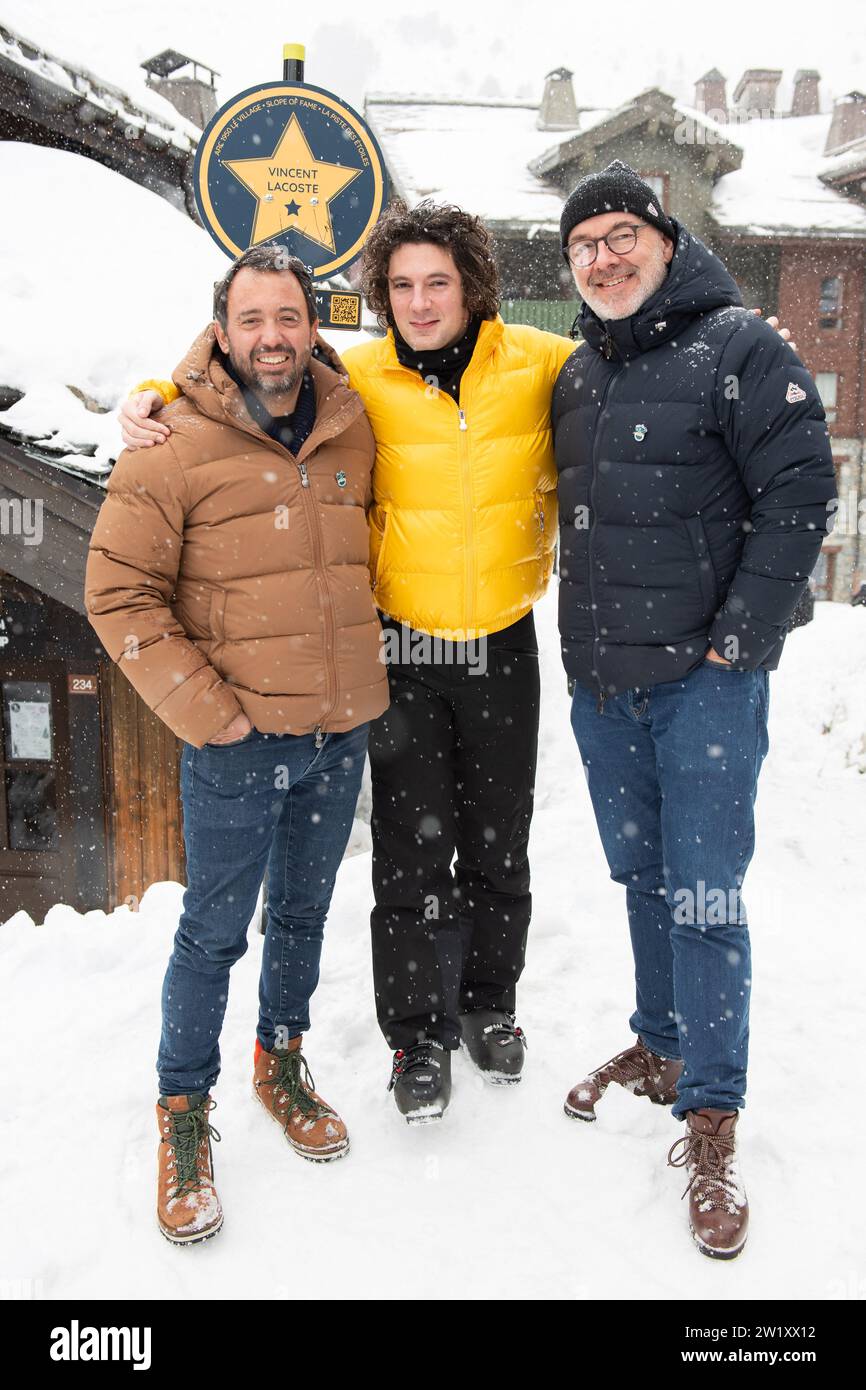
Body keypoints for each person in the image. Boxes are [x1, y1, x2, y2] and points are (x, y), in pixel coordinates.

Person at [118, 201, 577, 1123]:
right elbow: (242, 355)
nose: (417, 301)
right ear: (378, 297)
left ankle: (489, 1005)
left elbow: (632, 346)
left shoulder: (538, 361)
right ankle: (414, 1037)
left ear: (471, 286)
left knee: (500, 848)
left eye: (436, 282)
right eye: (400, 285)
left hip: (502, 639)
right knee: (410, 856)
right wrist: (152, 393)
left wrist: (730, 336)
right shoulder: (354, 377)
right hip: (401, 647)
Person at [553, 162, 836, 1258]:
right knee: (639, 878)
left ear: (665, 243)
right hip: (604, 689)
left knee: (705, 895)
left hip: (703, 688)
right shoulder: (577, 374)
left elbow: (801, 491)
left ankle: (710, 1115)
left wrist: (740, 642)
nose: (603, 256)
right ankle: (660, 1041)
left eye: (622, 234)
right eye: (584, 244)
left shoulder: (740, 350)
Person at [86, 247, 388, 1244]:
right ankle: (183, 1111)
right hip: (234, 743)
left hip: (336, 735)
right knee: (213, 934)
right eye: (251, 318)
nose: (271, 336)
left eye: (288, 317)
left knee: (302, 914)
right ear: (221, 328)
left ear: (313, 325)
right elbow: (115, 592)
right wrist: (213, 714)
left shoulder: (352, 426)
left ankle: (282, 1057)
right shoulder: (169, 437)